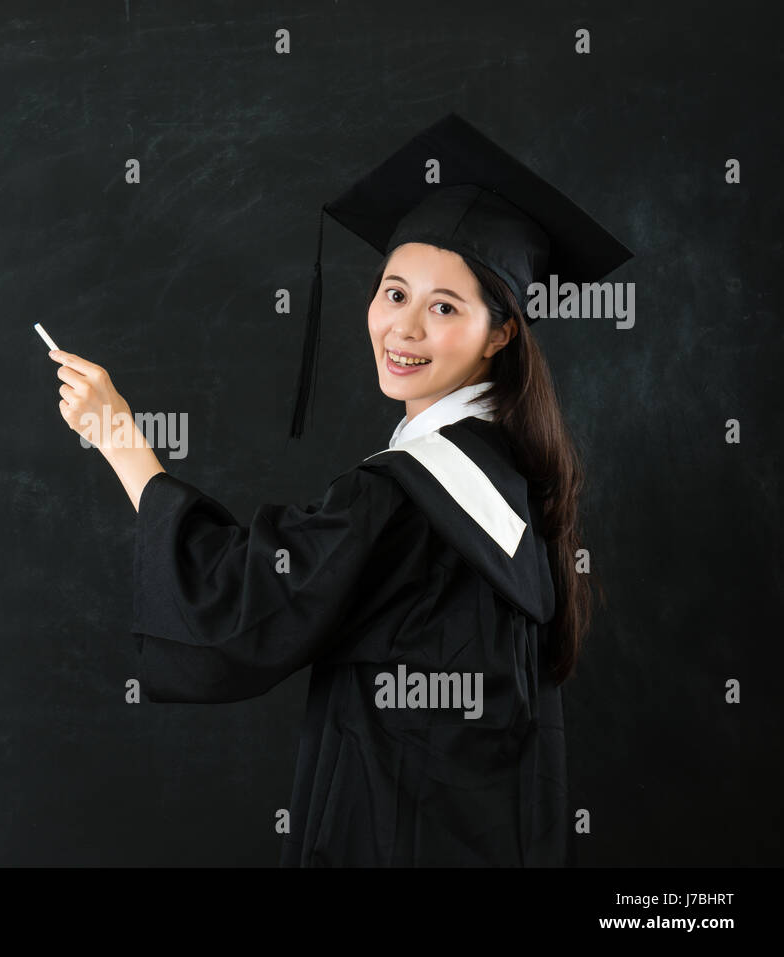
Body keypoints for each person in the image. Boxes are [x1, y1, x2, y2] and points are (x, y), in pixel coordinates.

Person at [48, 114, 633, 866]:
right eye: (394, 292)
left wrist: (120, 439)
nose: (404, 328)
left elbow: (236, 601)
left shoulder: (405, 498)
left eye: (444, 306)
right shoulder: (511, 478)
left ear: (501, 333)